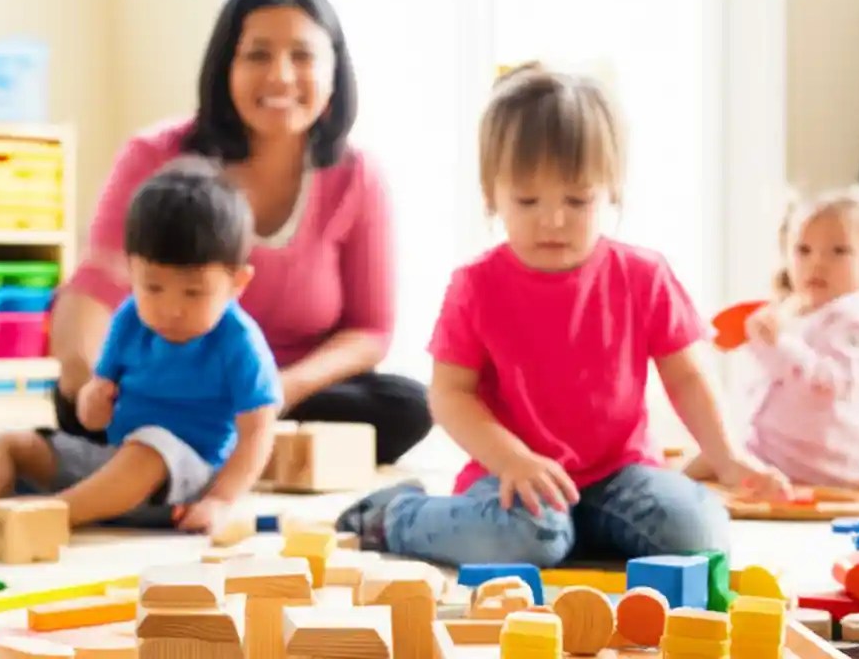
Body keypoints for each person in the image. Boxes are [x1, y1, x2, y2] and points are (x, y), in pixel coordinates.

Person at [334, 64, 791, 568]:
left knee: (701, 534)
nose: (552, 220)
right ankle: (395, 515)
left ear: (611, 190)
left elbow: (686, 375)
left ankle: (578, 532)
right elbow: (450, 395)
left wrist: (726, 455)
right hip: (515, 474)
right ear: (491, 195)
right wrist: (512, 459)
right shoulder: (476, 285)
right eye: (527, 200)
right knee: (527, 540)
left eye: (578, 200)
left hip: (620, 474)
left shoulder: (643, 274)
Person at [48, 0, 431, 467]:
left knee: (408, 406)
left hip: (284, 387)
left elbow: (370, 330)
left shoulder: (358, 177)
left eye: (302, 56)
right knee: (72, 403)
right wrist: (91, 383)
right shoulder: (154, 155)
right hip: (167, 377)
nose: (280, 76)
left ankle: (209, 448)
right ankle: (210, 446)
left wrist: (275, 394)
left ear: (335, 71)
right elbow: (94, 289)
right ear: (225, 65)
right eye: (257, 55)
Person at [0, 163, 283, 538]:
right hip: (115, 466)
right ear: (131, 270)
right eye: (153, 287)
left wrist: (220, 500)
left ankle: (49, 515)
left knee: (151, 446)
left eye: (194, 292)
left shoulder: (238, 341)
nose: (171, 308)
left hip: (189, 477)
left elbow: (258, 433)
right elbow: (94, 418)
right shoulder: (131, 317)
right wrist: (91, 402)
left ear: (237, 283)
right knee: (10, 443)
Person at [686, 185, 859, 488]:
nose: (817, 262)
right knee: (706, 458)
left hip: (821, 460)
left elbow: (828, 383)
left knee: (708, 465)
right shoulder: (797, 313)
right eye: (803, 250)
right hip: (771, 447)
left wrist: (777, 344)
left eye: (839, 251)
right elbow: (772, 380)